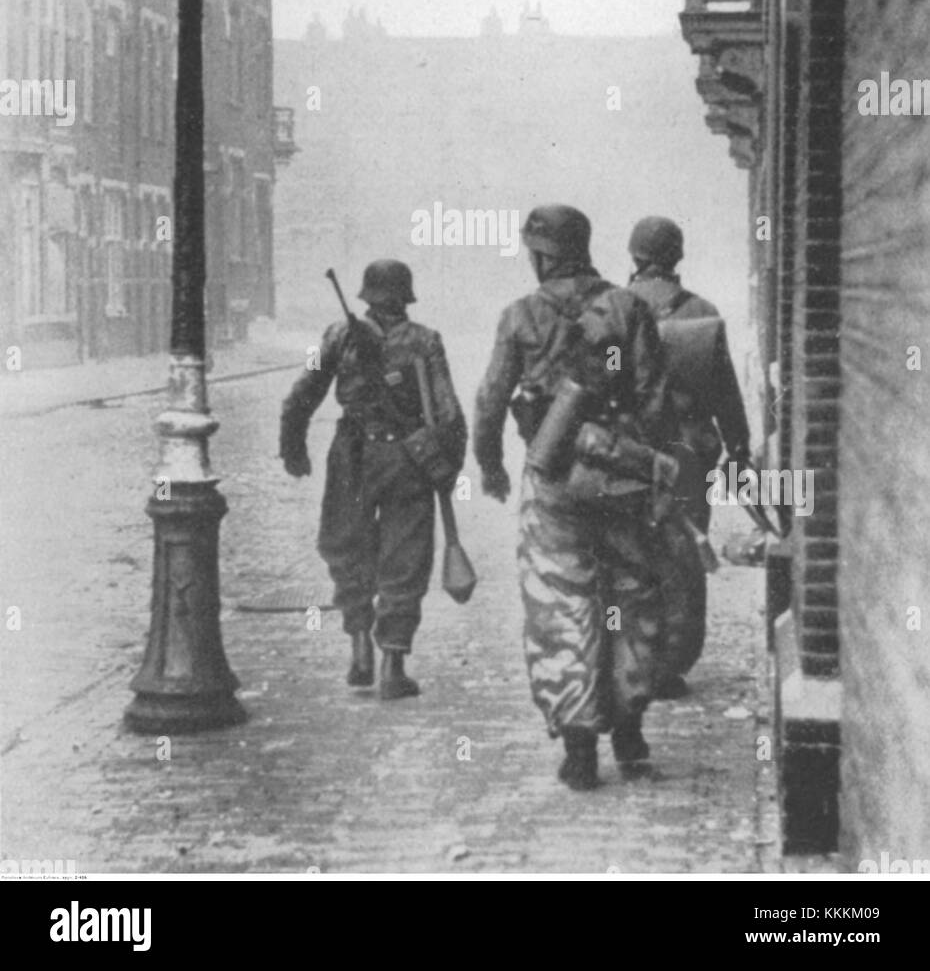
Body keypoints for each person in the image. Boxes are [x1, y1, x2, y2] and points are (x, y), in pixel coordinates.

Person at [473, 205, 674, 790]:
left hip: (555, 480)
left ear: (542, 253)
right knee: (629, 599)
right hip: (621, 480)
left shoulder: (521, 316)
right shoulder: (628, 309)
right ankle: (630, 728)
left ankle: (580, 748)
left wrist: (491, 468)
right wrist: (641, 459)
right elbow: (654, 401)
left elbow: (489, 402)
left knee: (562, 605)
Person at [279, 259, 466, 700]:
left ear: (366, 296)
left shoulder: (336, 335)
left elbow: (302, 392)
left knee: (347, 546)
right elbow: (450, 413)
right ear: (405, 297)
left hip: (352, 453)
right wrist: (445, 466)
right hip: (406, 459)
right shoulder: (425, 341)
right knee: (405, 556)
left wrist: (294, 447)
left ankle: (359, 646)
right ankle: (392, 666)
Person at [626, 215, 752, 697]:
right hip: (689, 454)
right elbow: (725, 393)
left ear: (634, 257)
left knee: (630, 554)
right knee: (685, 553)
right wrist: (738, 449)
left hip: (632, 452)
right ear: (677, 257)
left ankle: (632, 654)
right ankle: (671, 664)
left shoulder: (614, 309)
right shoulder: (702, 311)